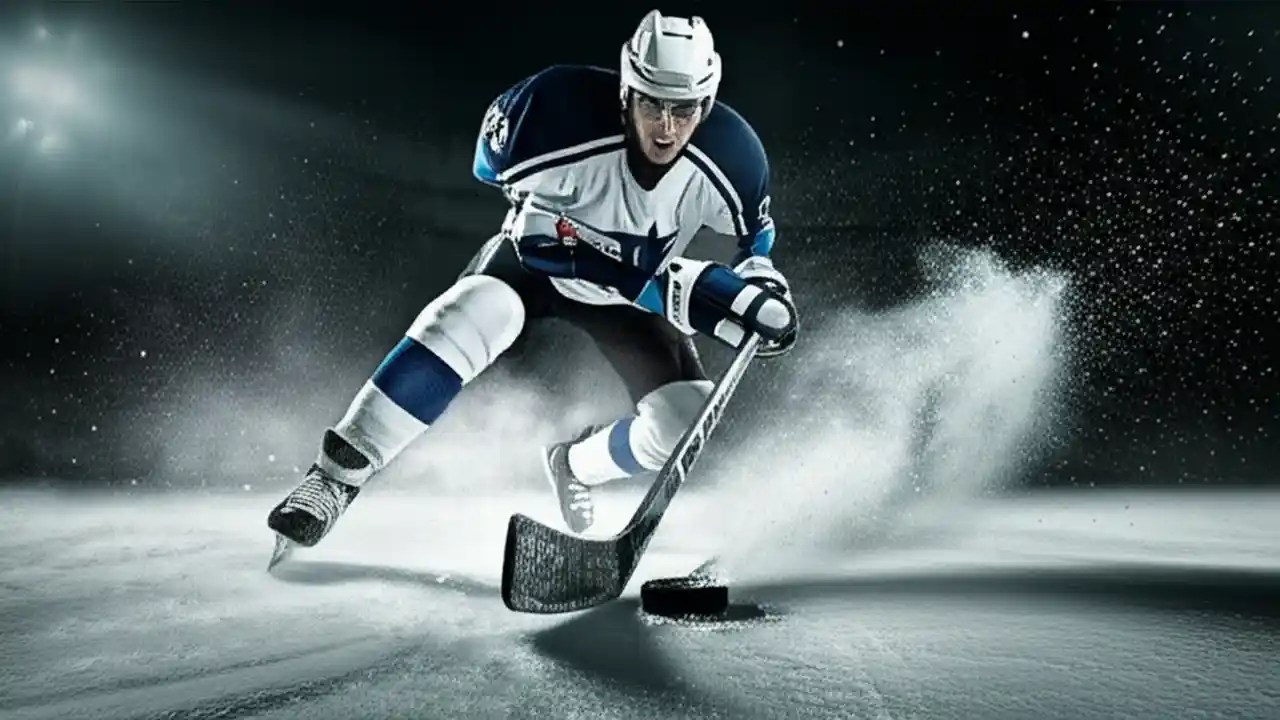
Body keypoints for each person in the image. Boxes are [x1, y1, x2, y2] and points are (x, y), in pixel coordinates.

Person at [267, 9, 798, 547]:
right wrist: (664, 288)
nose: (666, 127)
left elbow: (755, 249)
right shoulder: (553, 109)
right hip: (537, 267)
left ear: (705, 106)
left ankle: (576, 465)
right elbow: (524, 221)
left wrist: (768, 292)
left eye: (683, 110)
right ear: (625, 93)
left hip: (632, 292)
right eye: (651, 103)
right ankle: (333, 481)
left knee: (685, 425)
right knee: (472, 314)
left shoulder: (734, 156)